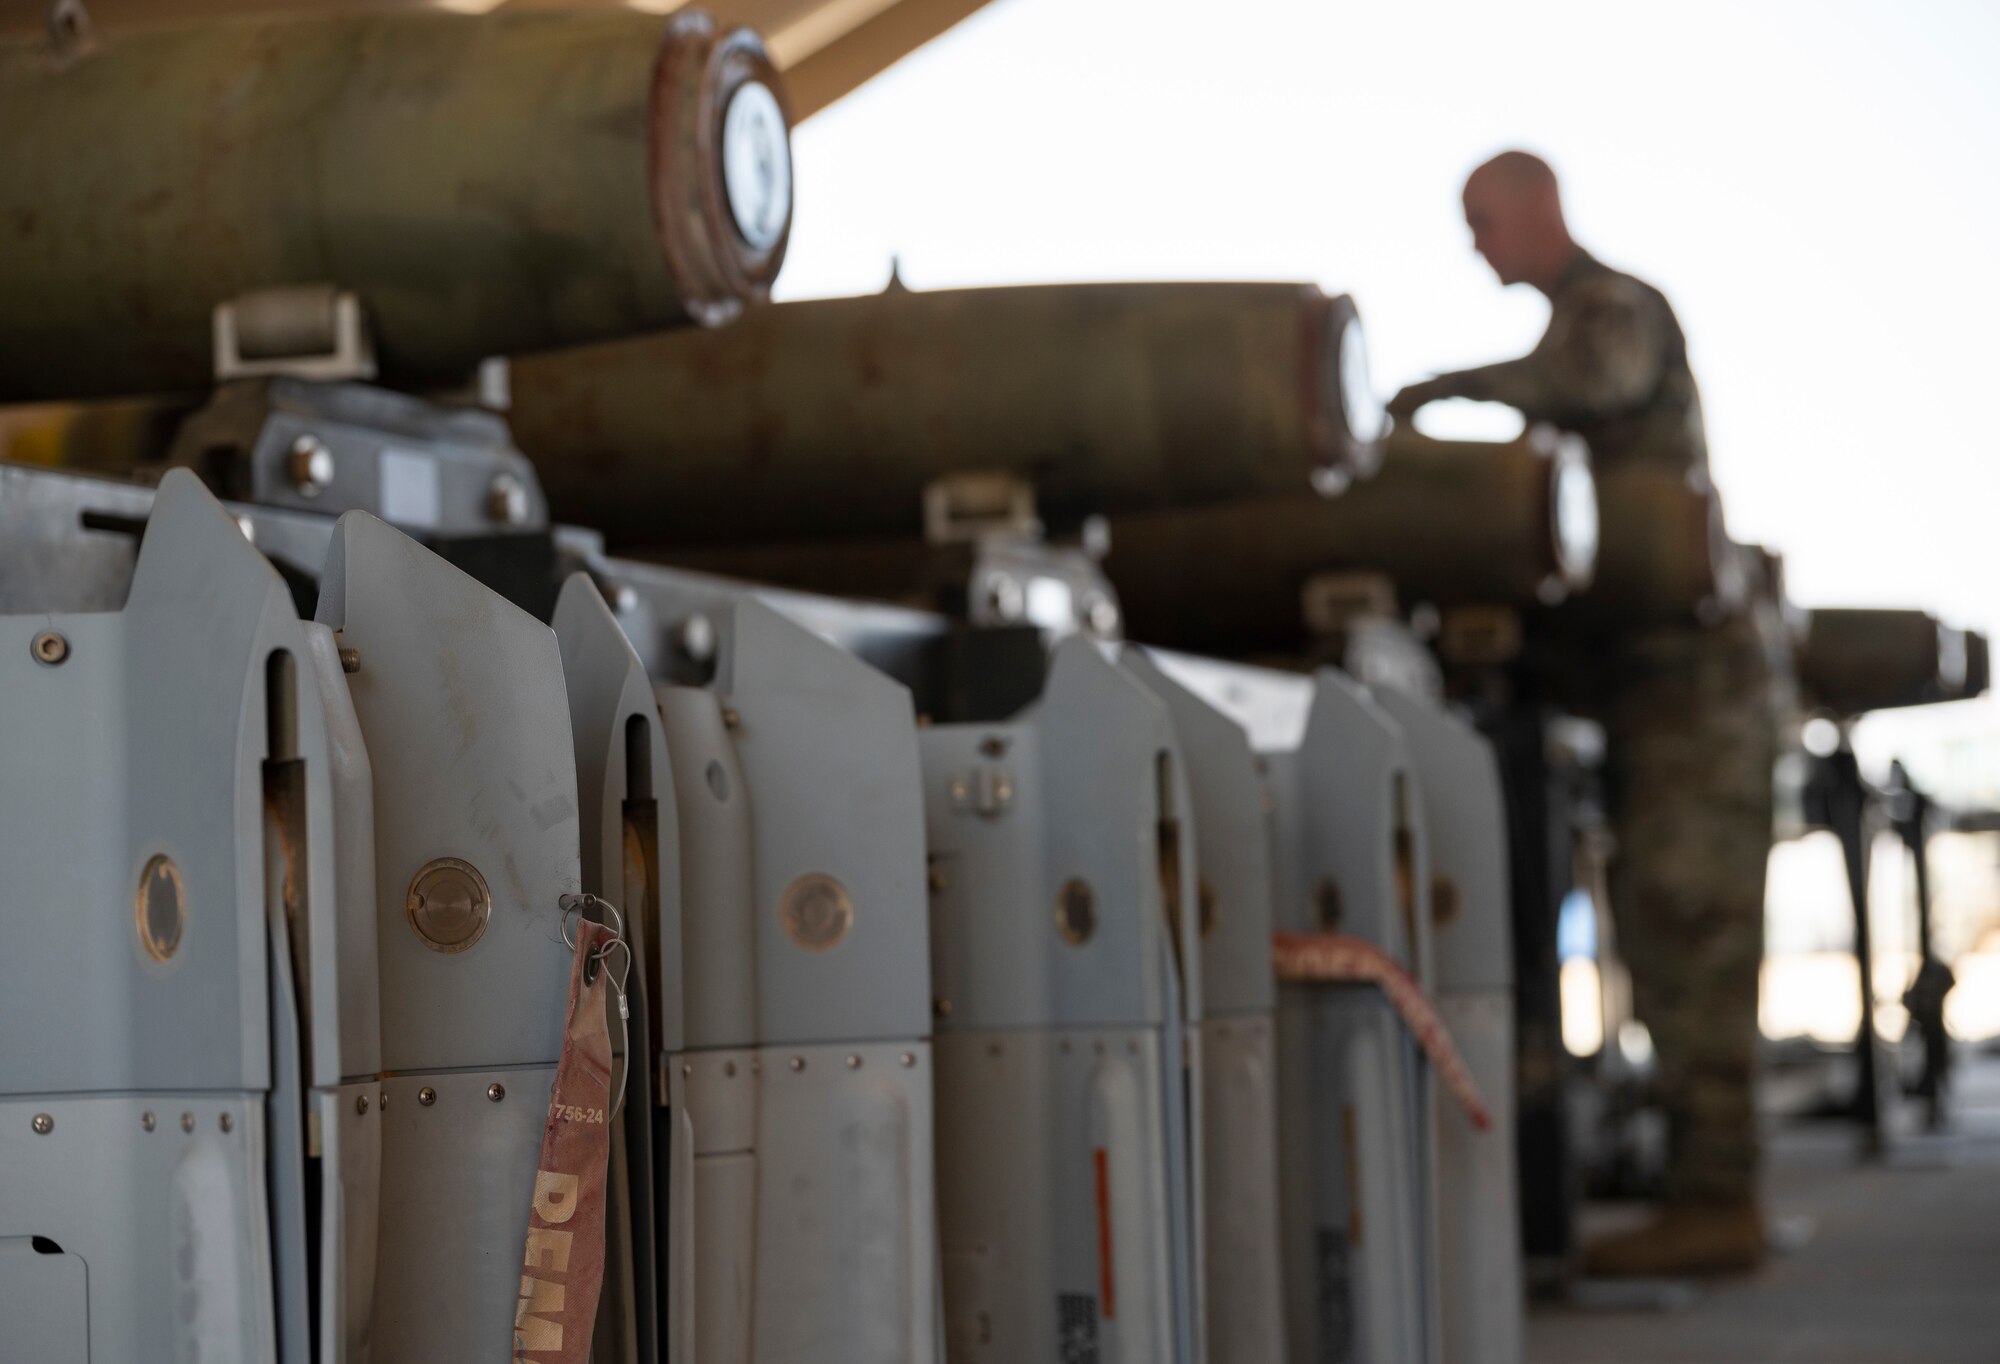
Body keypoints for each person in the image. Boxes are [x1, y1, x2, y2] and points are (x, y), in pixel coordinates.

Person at [1393, 150, 1779, 1276]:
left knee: (1688, 932)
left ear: (1540, 208)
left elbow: (1586, 384)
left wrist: (1443, 390)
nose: (1474, 245)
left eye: (1483, 221)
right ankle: (1701, 1186)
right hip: (1649, 683)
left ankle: (1718, 1199)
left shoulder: (1608, 310)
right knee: (1661, 937)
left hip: (1695, 686)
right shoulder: (1575, 322)